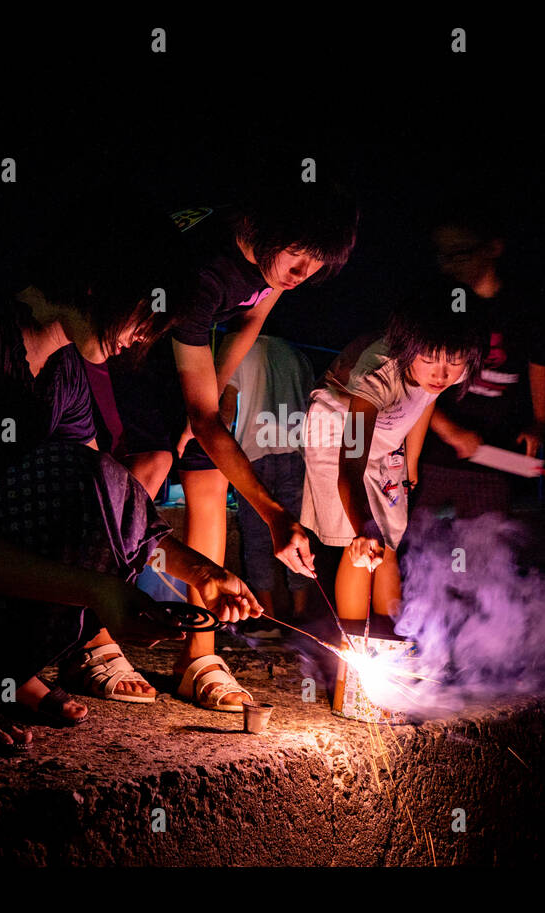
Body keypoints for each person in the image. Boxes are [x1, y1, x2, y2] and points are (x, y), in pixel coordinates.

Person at [0, 202, 264, 751]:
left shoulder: (63, 370)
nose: (140, 339)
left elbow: (111, 508)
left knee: (102, 483)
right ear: (96, 283)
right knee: (75, 475)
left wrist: (199, 572)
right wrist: (100, 590)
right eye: (143, 316)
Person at [109, 172, 358, 707]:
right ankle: (97, 640)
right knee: (146, 471)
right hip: (134, 354)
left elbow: (248, 325)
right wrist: (273, 513)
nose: (302, 274)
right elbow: (200, 415)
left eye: (316, 265)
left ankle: (200, 657)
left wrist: (213, 393)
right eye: (298, 258)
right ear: (267, 227)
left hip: (193, 359)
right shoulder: (202, 267)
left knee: (209, 478)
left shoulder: (273, 265)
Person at [300, 284, 486, 621]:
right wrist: (362, 528)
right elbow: (351, 466)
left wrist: (411, 462)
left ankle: (392, 644)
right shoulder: (377, 375)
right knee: (359, 544)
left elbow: (424, 402)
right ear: (407, 350)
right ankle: (352, 660)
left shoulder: (444, 367)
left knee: (388, 541)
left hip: (387, 439)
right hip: (337, 433)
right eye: (428, 360)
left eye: (453, 363)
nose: (440, 373)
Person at [420, 209, 545, 517]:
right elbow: (411, 381)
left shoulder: (525, 308)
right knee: (415, 544)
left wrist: (539, 421)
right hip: (432, 456)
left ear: (493, 248)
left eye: (460, 253)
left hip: (493, 456)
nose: (451, 265)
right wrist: (450, 431)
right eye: (444, 256)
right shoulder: (438, 306)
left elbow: (540, 363)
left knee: (487, 548)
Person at [219, 334, 316, 628]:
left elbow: (226, 407)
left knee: (257, 537)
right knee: (298, 534)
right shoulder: (298, 355)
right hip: (295, 452)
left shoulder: (241, 349)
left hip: (253, 453)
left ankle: (268, 619)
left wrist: (216, 449)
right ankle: (301, 617)